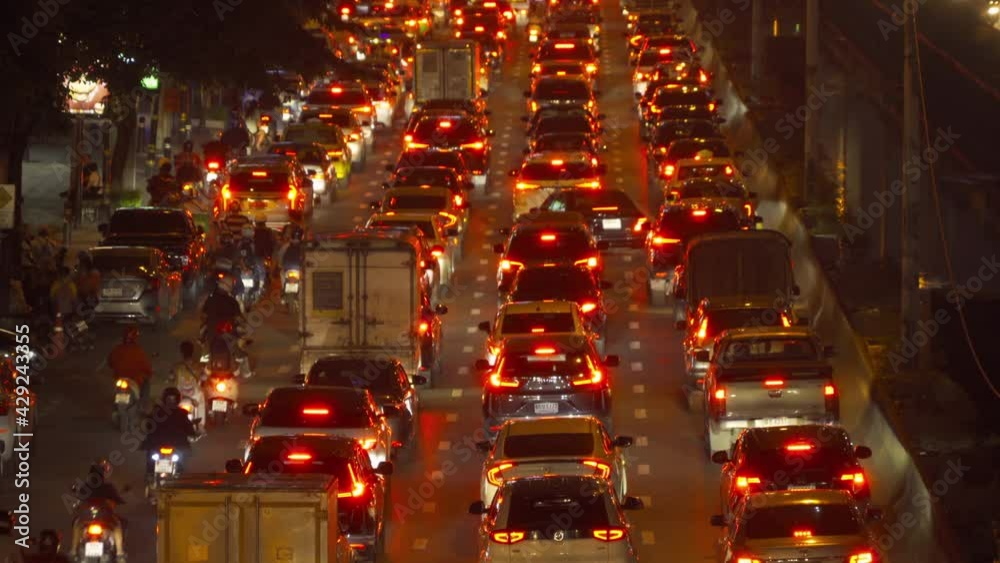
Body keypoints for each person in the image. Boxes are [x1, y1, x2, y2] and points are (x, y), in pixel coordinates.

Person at [70, 461, 126, 561]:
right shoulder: (108, 487)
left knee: (76, 524)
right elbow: (117, 499)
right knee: (117, 526)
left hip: (86, 518)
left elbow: (79, 500)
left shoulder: (85, 487)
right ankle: (120, 553)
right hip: (105, 518)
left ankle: (73, 550)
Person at [141, 387, 197, 471]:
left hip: (161, 445)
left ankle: (151, 476)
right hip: (170, 445)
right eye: (169, 398)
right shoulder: (181, 413)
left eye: (173, 398)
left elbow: (148, 426)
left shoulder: (157, 411)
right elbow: (189, 429)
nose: (171, 401)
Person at [108, 326, 153, 403]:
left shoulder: (117, 349)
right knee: (146, 383)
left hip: (120, 379)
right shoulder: (138, 351)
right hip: (134, 379)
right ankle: (143, 404)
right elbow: (146, 367)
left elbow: (110, 363)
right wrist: (149, 373)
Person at [173, 341, 206, 434]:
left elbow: (171, 376)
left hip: (180, 395)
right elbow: (204, 377)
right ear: (192, 352)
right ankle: (200, 426)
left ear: (181, 352)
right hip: (194, 395)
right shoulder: (198, 366)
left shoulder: (177, 366)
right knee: (201, 401)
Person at [201, 277, 243, 343]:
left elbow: (204, 315)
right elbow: (239, 318)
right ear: (229, 287)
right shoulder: (232, 301)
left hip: (213, 334)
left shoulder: (210, 299)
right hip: (227, 334)